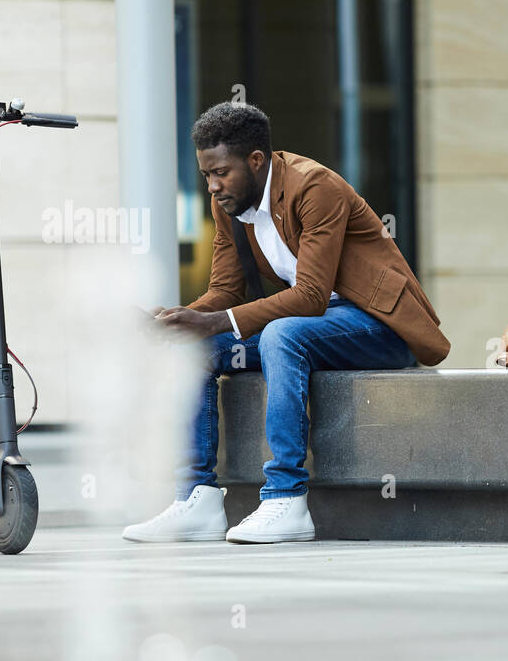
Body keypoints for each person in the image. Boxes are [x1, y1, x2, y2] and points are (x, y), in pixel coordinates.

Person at [124, 102, 449, 544]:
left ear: (255, 161)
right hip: (314, 328)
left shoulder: (315, 187)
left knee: (282, 332)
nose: (213, 186)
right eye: (206, 176)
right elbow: (226, 291)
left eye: (221, 172)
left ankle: (286, 499)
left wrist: (214, 320)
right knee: (194, 349)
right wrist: (179, 321)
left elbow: (312, 296)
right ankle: (196, 500)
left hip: (378, 327)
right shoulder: (231, 204)